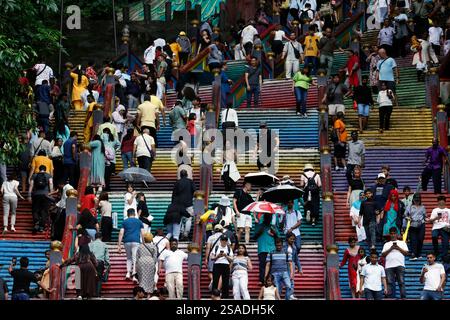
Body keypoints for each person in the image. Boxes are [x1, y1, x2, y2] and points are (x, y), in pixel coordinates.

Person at [117, 208, 145, 282]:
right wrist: (144, 243)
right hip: (136, 241)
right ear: (134, 214)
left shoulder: (124, 222)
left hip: (127, 241)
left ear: (127, 214)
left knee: (129, 258)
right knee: (135, 258)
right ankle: (134, 274)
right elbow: (143, 233)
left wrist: (119, 245)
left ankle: (128, 273)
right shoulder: (139, 221)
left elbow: (121, 233)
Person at [381, 227, 408, 299]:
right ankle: (390, 297)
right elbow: (383, 255)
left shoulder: (402, 243)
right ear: (389, 234)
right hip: (389, 266)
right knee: (389, 283)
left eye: (394, 233)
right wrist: (391, 248)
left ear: (397, 234)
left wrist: (398, 248)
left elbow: (406, 253)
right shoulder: (386, 244)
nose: (393, 235)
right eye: (391, 234)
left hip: (400, 265)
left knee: (401, 282)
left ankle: (403, 297)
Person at [172, 169, 195, 240]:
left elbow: (174, 194)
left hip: (178, 204)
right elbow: (195, 190)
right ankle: (186, 234)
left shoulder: (177, 182)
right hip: (188, 203)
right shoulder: (190, 182)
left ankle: (180, 233)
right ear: (187, 175)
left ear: (180, 175)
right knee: (189, 219)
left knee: (179, 219)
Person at [28, 165, 53, 233]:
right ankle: (42, 227)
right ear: (45, 169)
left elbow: (31, 185)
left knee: (35, 209)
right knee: (44, 210)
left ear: (39, 169)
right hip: (46, 195)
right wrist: (51, 193)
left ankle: (36, 223)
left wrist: (29, 195)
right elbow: (50, 184)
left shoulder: (34, 175)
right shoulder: (49, 175)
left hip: (36, 194)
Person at [404, 193, 426, 260]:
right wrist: (408, 218)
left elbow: (425, 216)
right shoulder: (409, 207)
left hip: (421, 224)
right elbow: (405, 215)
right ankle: (413, 254)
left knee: (420, 239)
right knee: (413, 240)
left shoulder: (422, 207)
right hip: (412, 224)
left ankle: (418, 253)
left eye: (418, 200)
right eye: (416, 200)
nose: (417, 201)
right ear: (413, 200)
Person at [427, 195, 450, 260]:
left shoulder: (448, 210)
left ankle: (443, 256)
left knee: (445, 242)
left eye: (443, 202)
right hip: (436, 227)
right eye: (440, 202)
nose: (441, 203)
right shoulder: (435, 210)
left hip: (445, 227)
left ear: (445, 202)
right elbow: (430, 221)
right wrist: (436, 218)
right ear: (438, 202)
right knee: (434, 236)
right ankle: (436, 252)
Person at [211, 234, 233, 298]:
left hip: (226, 265)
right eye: (223, 240)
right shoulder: (216, 247)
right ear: (220, 240)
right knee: (215, 280)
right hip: (217, 264)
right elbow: (212, 258)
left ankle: (225, 296)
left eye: (225, 240)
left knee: (225, 281)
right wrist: (218, 256)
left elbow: (232, 259)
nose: (224, 242)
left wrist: (226, 256)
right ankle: (214, 295)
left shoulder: (229, 248)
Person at [88, 232, 110, 296]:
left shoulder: (90, 244)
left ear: (95, 237)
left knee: (91, 277)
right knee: (99, 278)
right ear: (101, 237)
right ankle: (97, 293)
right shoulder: (104, 245)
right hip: (100, 263)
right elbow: (106, 257)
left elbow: (88, 254)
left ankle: (91, 293)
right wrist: (107, 264)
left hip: (92, 262)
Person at [284, 232, 302, 300]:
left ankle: (289, 296)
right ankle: (288, 296)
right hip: (285, 265)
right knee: (286, 282)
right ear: (287, 239)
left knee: (291, 281)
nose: (292, 240)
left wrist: (300, 269)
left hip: (292, 265)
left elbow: (296, 258)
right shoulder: (283, 246)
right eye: (291, 239)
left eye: (294, 239)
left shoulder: (294, 247)